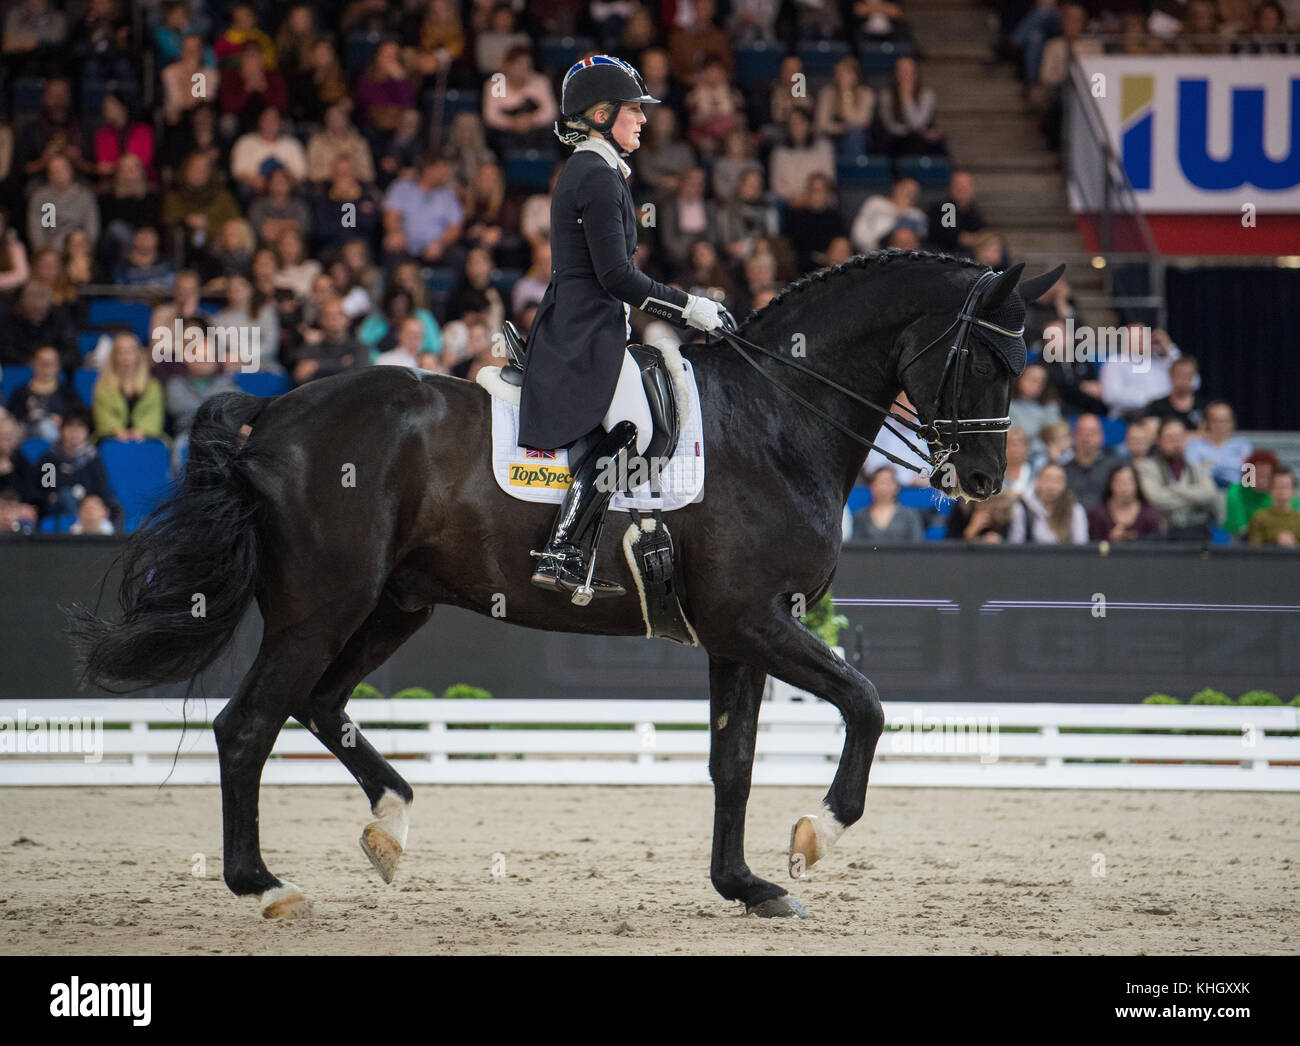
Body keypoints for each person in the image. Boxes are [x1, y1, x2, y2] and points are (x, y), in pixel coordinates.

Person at [519, 55, 733, 598]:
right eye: (634, 110)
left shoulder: (601, 170)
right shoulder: (593, 173)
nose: (643, 120)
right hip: (583, 331)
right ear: (600, 114)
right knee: (639, 432)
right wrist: (689, 307)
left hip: (592, 325)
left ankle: (581, 546)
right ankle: (565, 547)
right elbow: (617, 277)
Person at [1133, 417, 1219, 541]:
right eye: (1170, 438)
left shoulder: (1198, 468)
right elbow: (1156, 499)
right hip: (1163, 535)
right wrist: (1195, 498)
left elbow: (1209, 495)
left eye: (1179, 438)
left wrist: (1174, 488)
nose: (1176, 443)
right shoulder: (1147, 467)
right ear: (1158, 440)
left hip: (1198, 533)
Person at [1007, 463, 1088, 544]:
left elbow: (1080, 544)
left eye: (1057, 481)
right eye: (1047, 479)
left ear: (1064, 484)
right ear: (1037, 481)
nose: (1052, 486)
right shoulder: (1022, 507)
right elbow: (1016, 543)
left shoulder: (1075, 510)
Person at [1087, 463, 1164, 542]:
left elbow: (1156, 546)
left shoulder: (1150, 514)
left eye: (1129, 482)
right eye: (1119, 482)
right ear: (1110, 485)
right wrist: (1109, 539)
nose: (1124, 488)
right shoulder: (1097, 514)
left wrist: (1137, 538)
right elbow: (1091, 547)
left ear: (1137, 485)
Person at [849, 467, 925, 544]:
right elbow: (856, 544)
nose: (883, 487)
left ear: (896, 487)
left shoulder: (910, 515)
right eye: (879, 482)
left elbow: (917, 544)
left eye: (887, 482)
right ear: (872, 486)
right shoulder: (860, 516)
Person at [1185, 400, 1250, 489]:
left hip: (1235, 492)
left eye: (1225, 420)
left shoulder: (1242, 445)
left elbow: (1249, 476)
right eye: (1216, 420)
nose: (1221, 425)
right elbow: (1193, 474)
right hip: (1205, 492)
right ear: (1207, 422)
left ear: (1233, 422)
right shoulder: (1194, 445)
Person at [1063, 413, 1119, 511]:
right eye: (1082, 432)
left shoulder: (1114, 468)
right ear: (1074, 437)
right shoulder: (1063, 470)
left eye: (1092, 433)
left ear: (1101, 437)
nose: (1086, 438)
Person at [1246, 469, 1300, 547]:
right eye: (1278, 486)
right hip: (1267, 558)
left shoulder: (1298, 520)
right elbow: (1254, 548)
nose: (1282, 491)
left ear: (1294, 490)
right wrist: (1276, 543)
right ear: (1271, 490)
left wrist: (1294, 543)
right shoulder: (1259, 517)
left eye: (1286, 486)